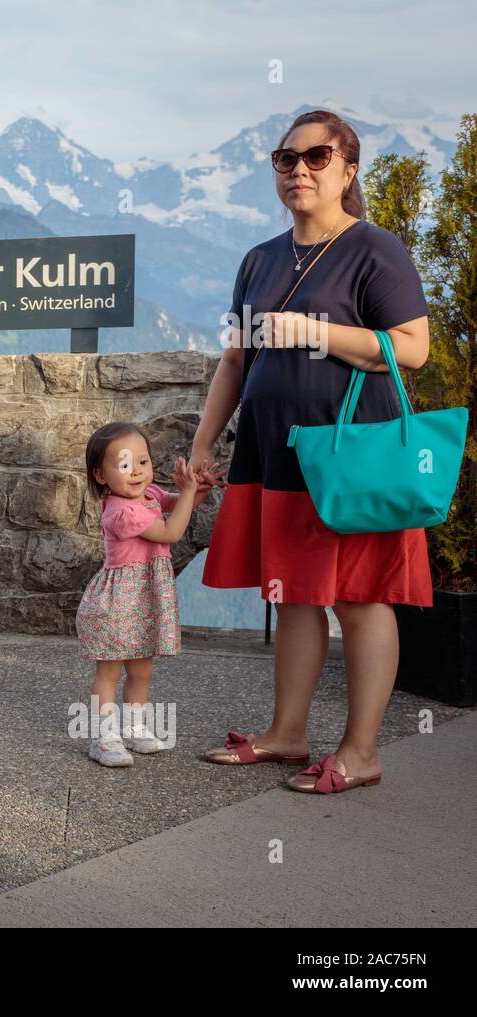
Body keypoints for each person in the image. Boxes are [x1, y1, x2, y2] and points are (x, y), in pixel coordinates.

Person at [193, 109, 432, 794]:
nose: (298, 168)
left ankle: (361, 752)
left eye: (316, 157)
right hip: (277, 452)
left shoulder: (374, 250)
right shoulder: (259, 259)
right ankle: (286, 733)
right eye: (285, 158)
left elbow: (412, 349)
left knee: (360, 598)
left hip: (353, 449)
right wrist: (206, 440)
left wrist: (312, 331)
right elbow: (235, 359)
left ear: (347, 170)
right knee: (292, 592)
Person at [75, 422, 215, 767]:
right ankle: (104, 737)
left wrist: (198, 489)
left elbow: (174, 503)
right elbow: (170, 530)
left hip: (143, 601)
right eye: (124, 465)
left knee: (142, 670)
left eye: (143, 462)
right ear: (101, 474)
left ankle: (134, 728)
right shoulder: (121, 512)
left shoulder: (147, 495)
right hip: (119, 604)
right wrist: (187, 493)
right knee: (109, 672)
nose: (136, 472)